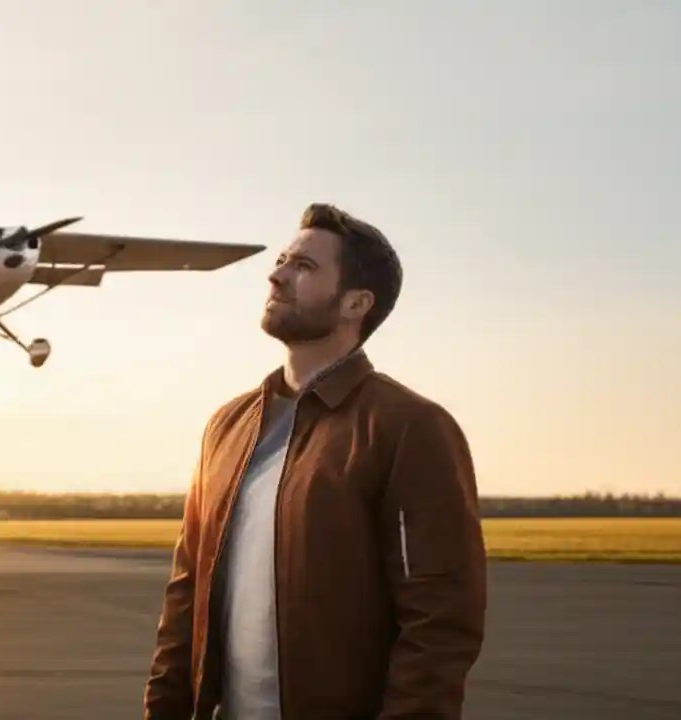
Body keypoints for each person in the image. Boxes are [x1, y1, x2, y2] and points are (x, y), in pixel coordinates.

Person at [143, 203, 487, 720]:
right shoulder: (226, 427)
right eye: (282, 260)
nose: (275, 275)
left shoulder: (409, 428)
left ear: (356, 303)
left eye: (303, 267)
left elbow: (439, 623)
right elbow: (186, 594)